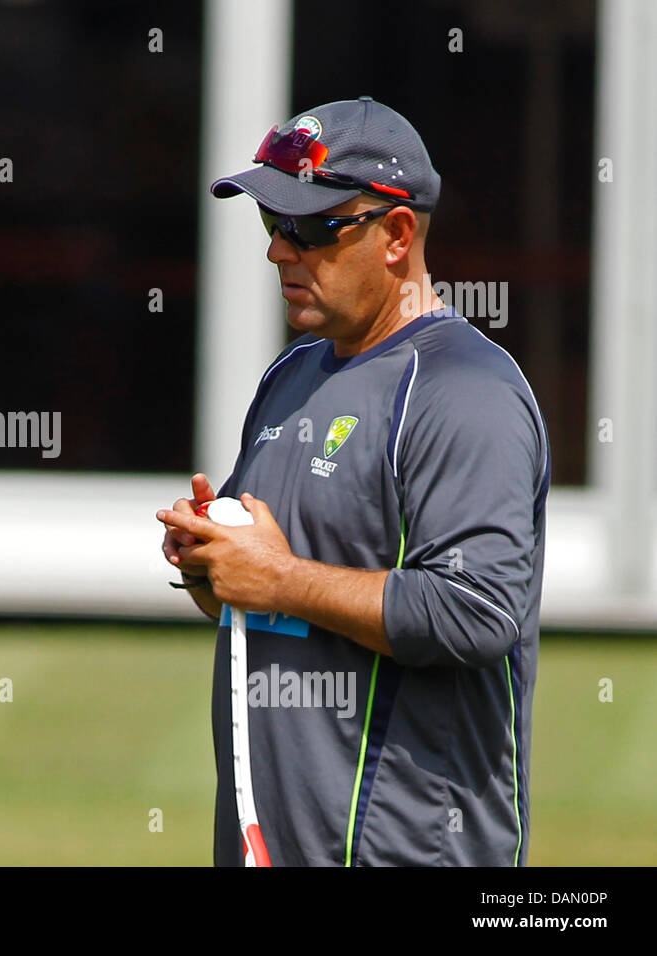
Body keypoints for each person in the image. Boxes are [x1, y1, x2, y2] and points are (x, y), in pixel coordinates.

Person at [158, 97, 549, 866]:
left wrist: (275, 579)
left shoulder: (465, 392)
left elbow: (475, 612)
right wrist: (212, 563)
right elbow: (265, 597)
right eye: (272, 225)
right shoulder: (293, 376)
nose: (280, 251)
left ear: (397, 234)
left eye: (309, 227)